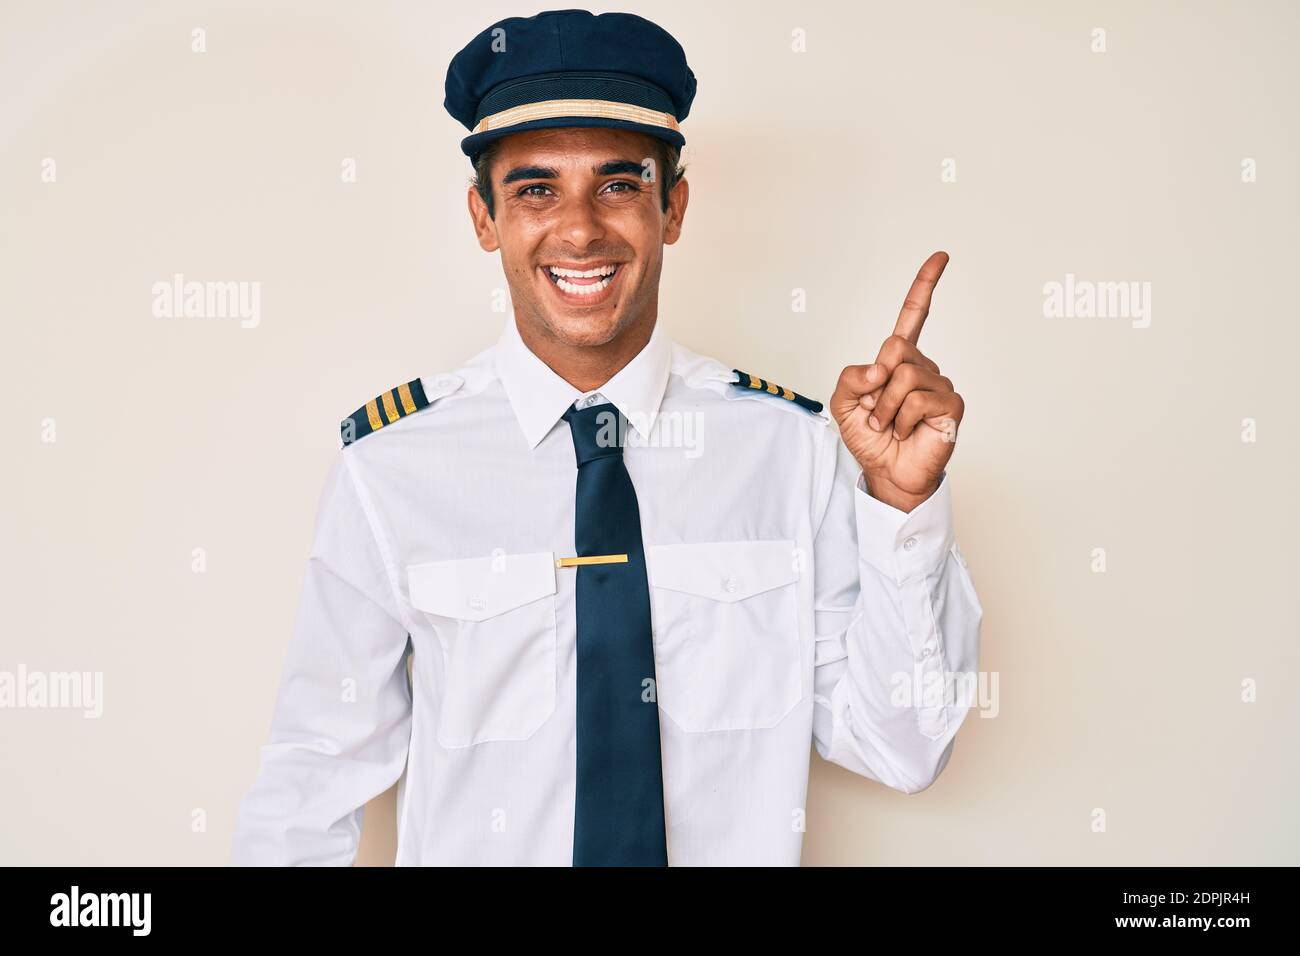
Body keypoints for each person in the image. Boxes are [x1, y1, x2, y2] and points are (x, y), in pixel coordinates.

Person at [230, 8, 982, 867]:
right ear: (484, 218)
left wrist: (903, 505)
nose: (580, 229)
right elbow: (311, 779)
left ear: (675, 207)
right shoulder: (391, 468)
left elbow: (905, 746)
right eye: (535, 189)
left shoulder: (793, 452)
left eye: (619, 185)